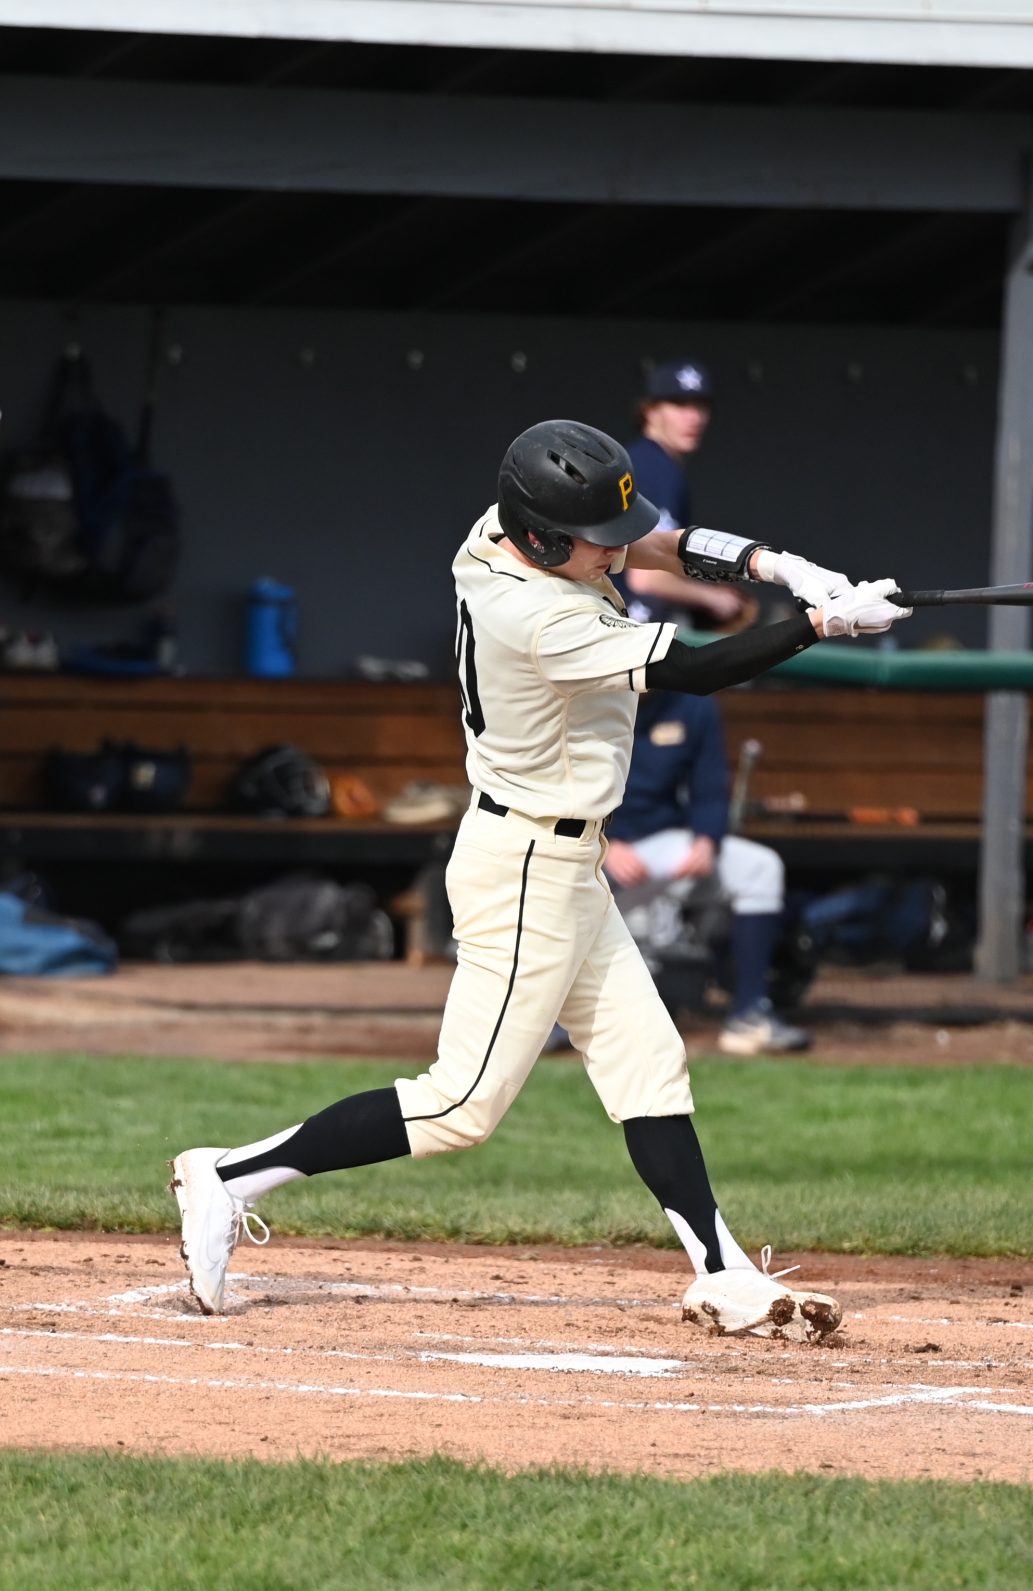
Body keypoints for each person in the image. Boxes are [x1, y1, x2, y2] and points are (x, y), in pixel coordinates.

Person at [170, 418, 909, 1340]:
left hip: (567, 860)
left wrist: (781, 567)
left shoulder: (506, 531)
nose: (616, 555)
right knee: (458, 1105)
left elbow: (656, 542)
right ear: (544, 540)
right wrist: (820, 625)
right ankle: (230, 1175)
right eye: (594, 544)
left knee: (648, 1062)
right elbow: (703, 669)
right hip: (524, 866)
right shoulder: (541, 620)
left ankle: (722, 1273)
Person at [605, 691, 806, 1055]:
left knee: (760, 868)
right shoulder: (580, 696)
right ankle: (551, 1022)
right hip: (589, 848)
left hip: (664, 842)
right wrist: (603, 844)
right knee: (556, 894)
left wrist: (706, 840)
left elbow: (710, 787)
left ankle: (748, 1015)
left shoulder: (689, 702)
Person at [614, 360, 748, 629]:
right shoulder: (656, 468)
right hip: (620, 626)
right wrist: (714, 598)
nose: (693, 417)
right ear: (649, 411)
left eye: (700, 407)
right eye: (679, 405)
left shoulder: (639, 459)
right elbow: (645, 578)